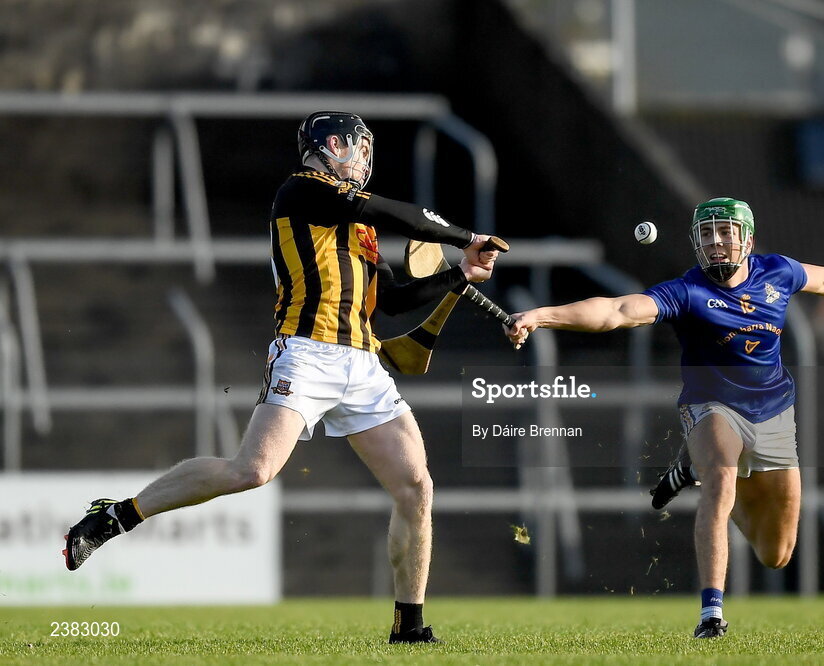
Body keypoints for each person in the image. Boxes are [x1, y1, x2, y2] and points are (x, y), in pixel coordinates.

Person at [64, 111, 504, 644]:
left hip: (364, 363)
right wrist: (466, 237)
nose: (365, 159)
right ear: (334, 144)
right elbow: (398, 212)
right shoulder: (304, 189)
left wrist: (458, 274)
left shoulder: (358, 228)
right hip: (306, 354)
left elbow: (389, 301)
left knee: (416, 486)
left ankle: (408, 628)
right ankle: (117, 515)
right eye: (360, 148)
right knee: (251, 471)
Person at [506, 197, 824, 638]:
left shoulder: (778, 272)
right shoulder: (687, 292)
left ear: (748, 240)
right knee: (722, 480)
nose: (717, 243)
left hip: (774, 411)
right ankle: (712, 613)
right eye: (707, 235)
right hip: (711, 407)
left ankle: (694, 468)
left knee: (776, 552)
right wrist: (541, 316)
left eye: (725, 232)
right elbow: (617, 312)